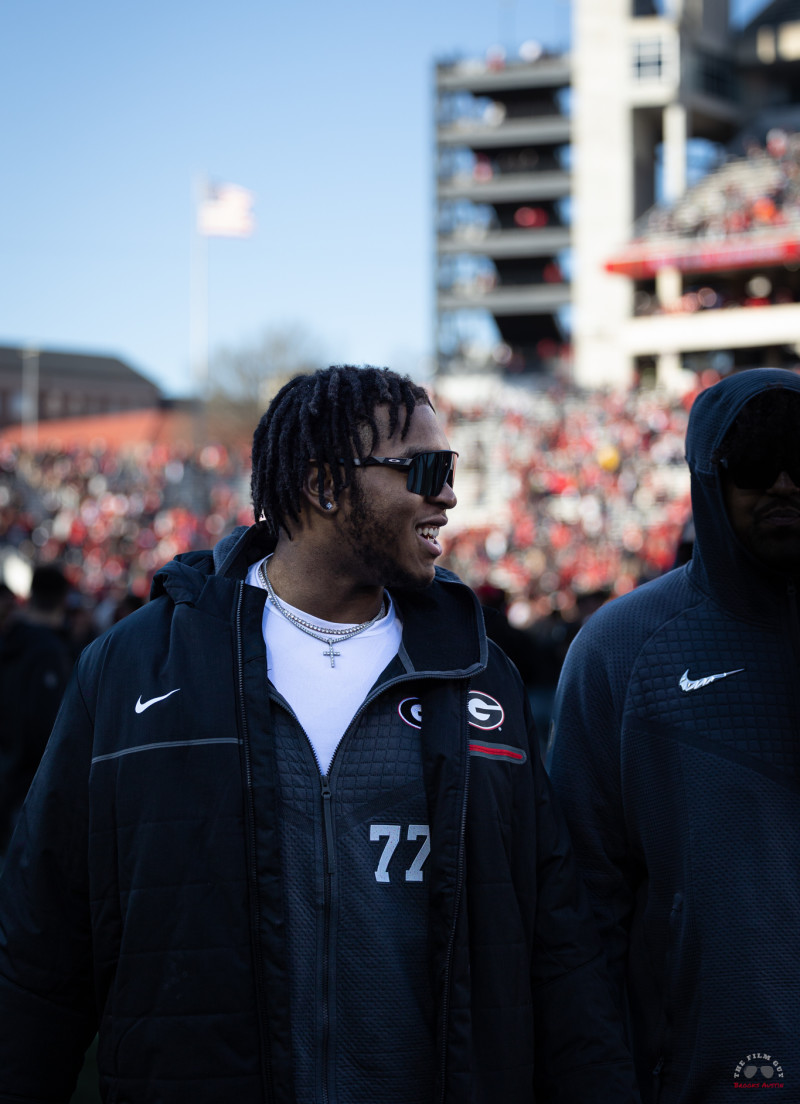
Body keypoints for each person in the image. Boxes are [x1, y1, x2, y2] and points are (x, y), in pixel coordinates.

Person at [0, 365, 638, 1104]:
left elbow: (556, 946)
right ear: (323, 484)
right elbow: (40, 949)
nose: (448, 495)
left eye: (451, 469)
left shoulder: (477, 674)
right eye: (425, 470)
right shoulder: (135, 668)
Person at [547, 367, 800, 1102]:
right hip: (705, 1073)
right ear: (707, 478)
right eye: (754, 461)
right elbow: (582, 904)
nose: (784, 483)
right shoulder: (622, 648)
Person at [0, 566, 72, 859]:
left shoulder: (11, 640)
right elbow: (48, 729)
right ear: (63, 600)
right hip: (29, 787)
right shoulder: (48, 650)